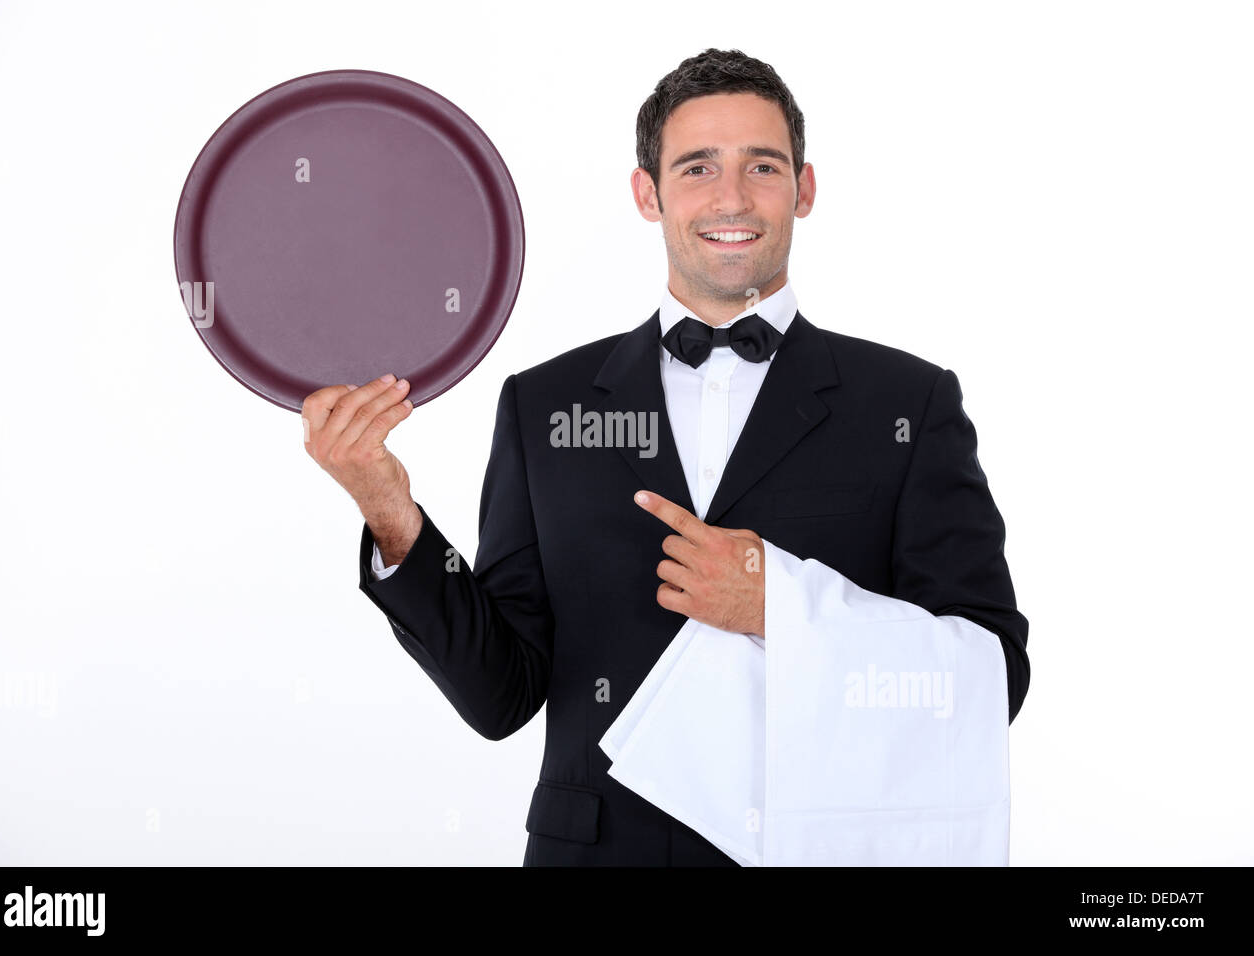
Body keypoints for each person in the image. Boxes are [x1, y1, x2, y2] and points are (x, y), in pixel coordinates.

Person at [301, 48, 1030, 866]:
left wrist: (781, 609)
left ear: (805, 187)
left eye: (763, 165)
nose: (732, 198)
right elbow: (501, 694)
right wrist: (390, 514)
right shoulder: (545, 404)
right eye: (697, 168)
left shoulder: (908, 402)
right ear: (648, 193)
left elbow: (991, 674)